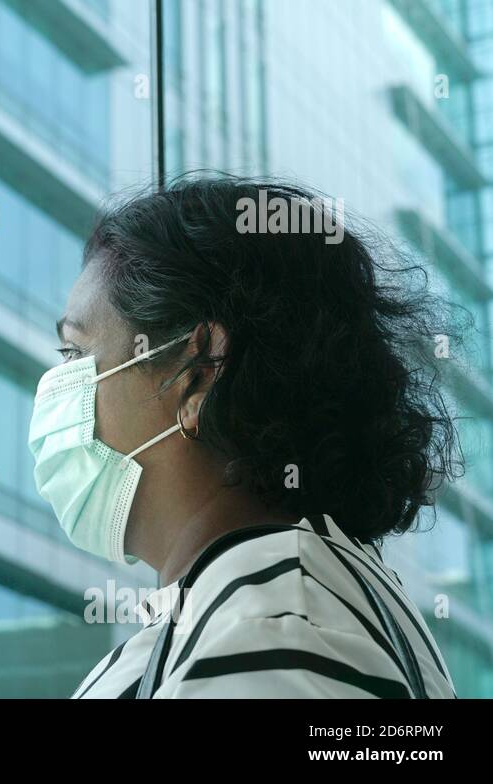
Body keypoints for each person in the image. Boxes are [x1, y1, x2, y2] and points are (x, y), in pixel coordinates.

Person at [29, 174, 461, 698]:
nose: (53, 390)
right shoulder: (270, 602)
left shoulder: (273, 628)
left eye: (75, 353)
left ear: (198, 373)